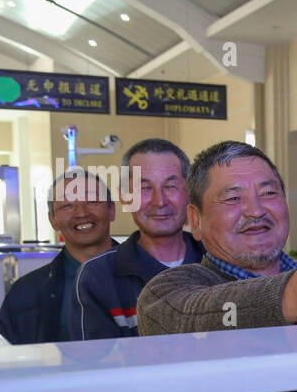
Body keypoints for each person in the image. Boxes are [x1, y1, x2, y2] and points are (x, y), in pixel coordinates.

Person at [137, 141, 297, 335]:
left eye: (268, 193)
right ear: (195, 220)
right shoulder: (165, 292)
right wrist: (292, 297)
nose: (256, 211)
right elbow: (188, 318)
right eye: (233, 198)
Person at [72, 138, 205, 339]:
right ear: (124, 196)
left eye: (170, 186)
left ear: (189, 193)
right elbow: (94, 363)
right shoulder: (98, 277)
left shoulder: (219, 260)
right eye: (144, 188)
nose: (159, 201)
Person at [0, 169, 115, 345]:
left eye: (92, 201)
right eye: (67, 205)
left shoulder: (146, 279)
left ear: (112, 210)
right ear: (53, 220)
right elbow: (10, 364)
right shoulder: (25, 293)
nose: (81, 213)